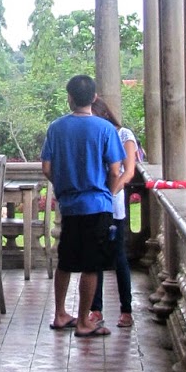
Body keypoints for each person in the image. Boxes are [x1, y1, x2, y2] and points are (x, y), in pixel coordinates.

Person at [40, 74, 125, 337]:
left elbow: (47, 167)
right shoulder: (105, 129)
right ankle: (84, 322)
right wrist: (107, 193)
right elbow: (114, 169)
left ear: (70, 98)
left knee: (65, 260)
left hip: (70, 205)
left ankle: (60, 313)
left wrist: (65, 185)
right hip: (96, 204)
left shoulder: (56, 128)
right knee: (91, 264)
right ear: (95, 98)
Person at [89, 98, 142, 329]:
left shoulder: (123, 135)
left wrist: (110, 193)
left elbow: (128, 171)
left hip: (114, 205)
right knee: (95, 257)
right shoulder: (95, 135)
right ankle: (96, 309)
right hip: (94, 203)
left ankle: (126, 309)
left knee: (119, 256)